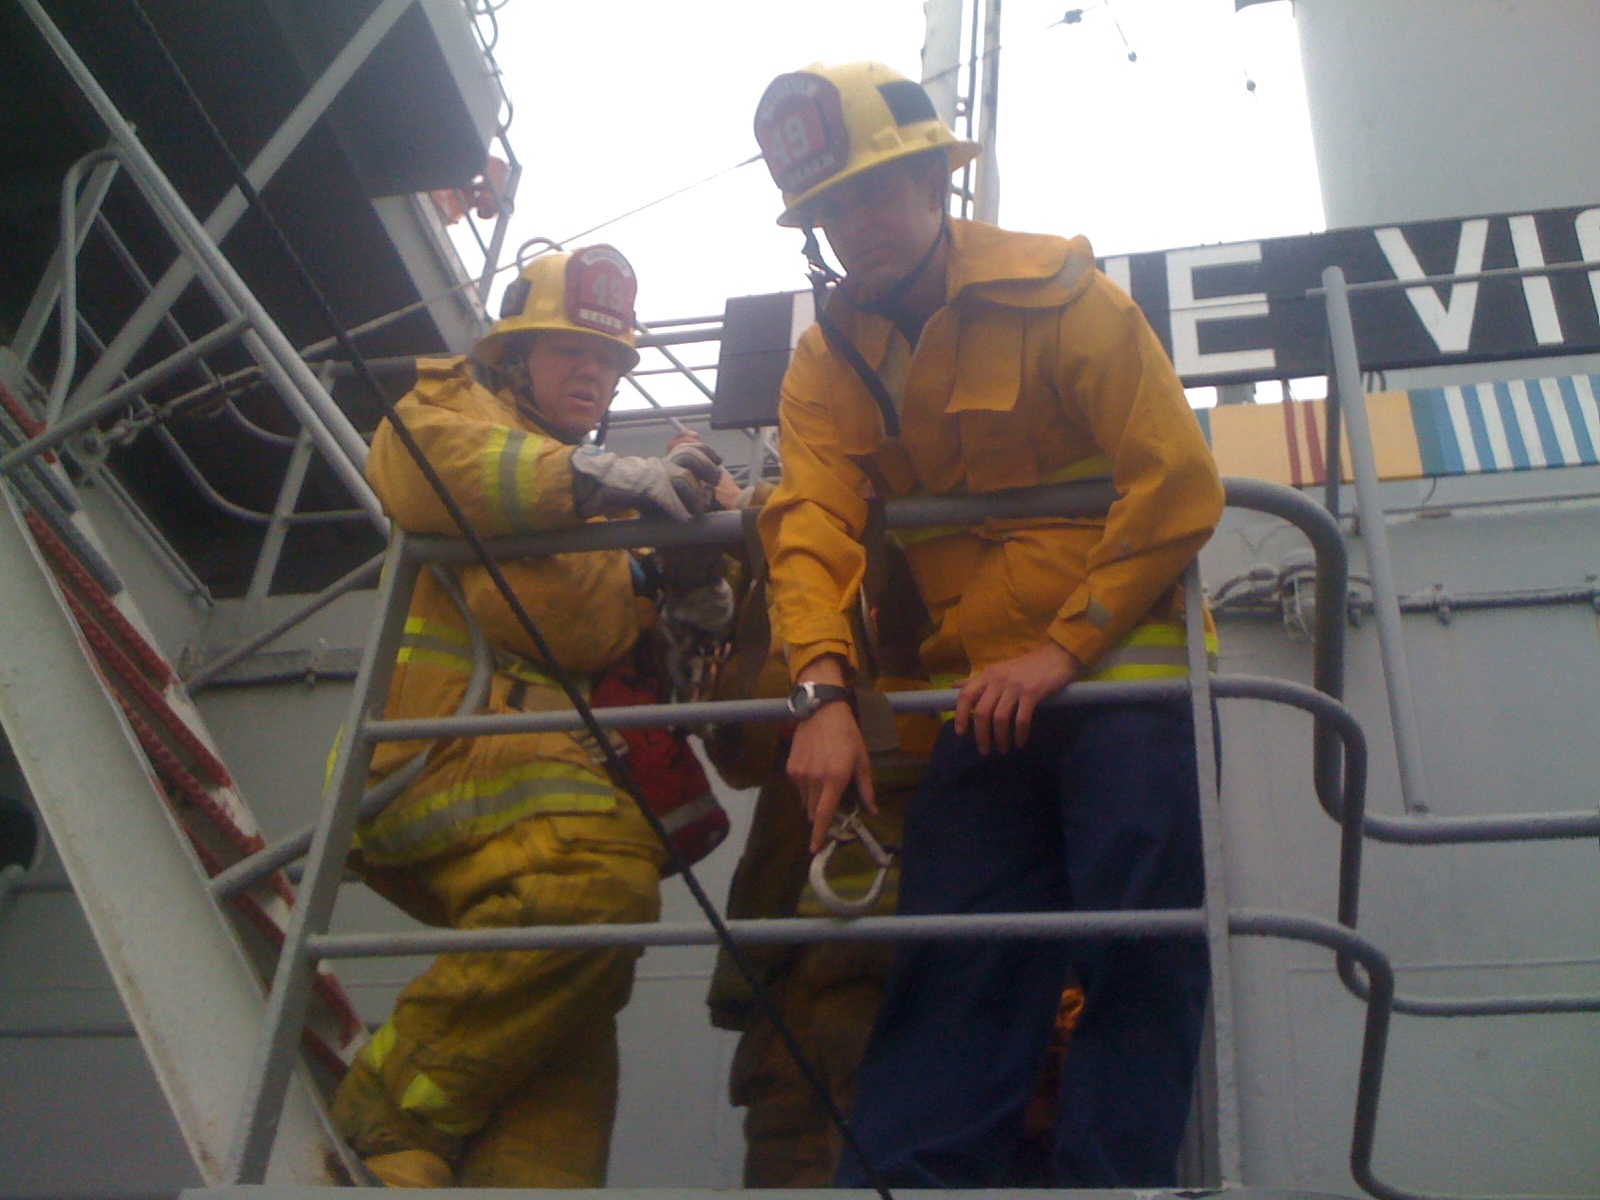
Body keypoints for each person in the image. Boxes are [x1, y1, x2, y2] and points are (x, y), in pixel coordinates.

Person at [749, 61, 1226, 1188]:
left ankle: (1111, 1183)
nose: (853, 227)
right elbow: (809, 519)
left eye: (874, 194)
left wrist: (1063, 650)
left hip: (1122, 678)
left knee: (1138, 941)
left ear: (933, 186)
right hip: (981, 696)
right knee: (953, 956)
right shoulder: (827, 360)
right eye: (829, 208)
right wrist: (819, 692)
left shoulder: (1068, 297)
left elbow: (1177, 484)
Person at [330, 245, 725, 1189]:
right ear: (513, 357)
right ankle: (384, 1112)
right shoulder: (461, 410)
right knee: (592, 901)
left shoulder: (587, 487)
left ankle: (430, 1161)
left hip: (536, 778)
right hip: (442, 761)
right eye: (568, 355)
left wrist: (693, 576)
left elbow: (602, 627)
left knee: (564, 1044)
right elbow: (426, 468)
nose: (594, 374)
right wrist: (596, 488)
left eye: (609, 361)